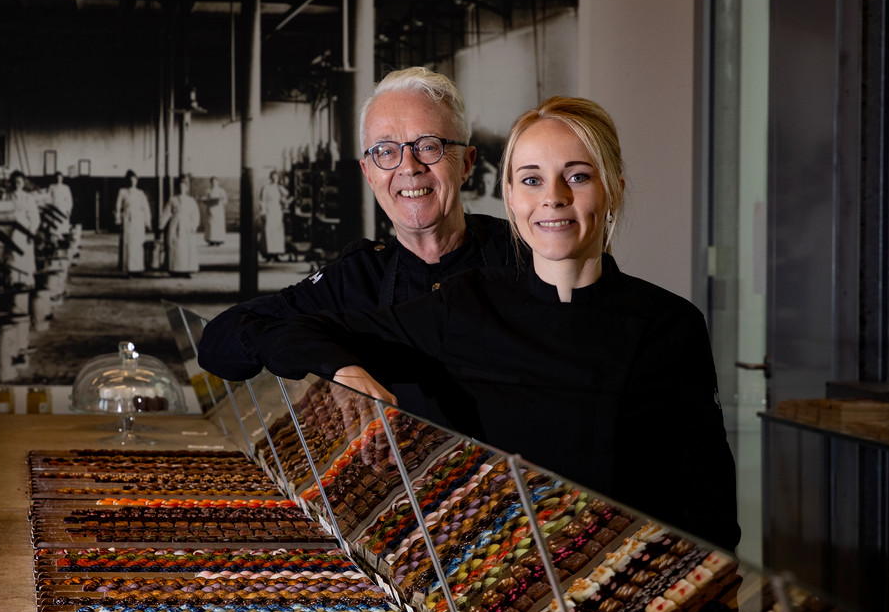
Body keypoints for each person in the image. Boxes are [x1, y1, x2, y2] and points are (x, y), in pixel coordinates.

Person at [251, 97, 740, 551]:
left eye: (577, 176)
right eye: (531, 179)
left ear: (613, 188)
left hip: (617, 589)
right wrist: (344, 370)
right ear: (509, 194)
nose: (552, 197)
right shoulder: (467, 304)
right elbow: (288, 331)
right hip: (490, 583)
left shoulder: (671, 324)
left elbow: (711, 511)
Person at [197, 67, 518, 422]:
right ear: (369, 173)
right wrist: (333, 363)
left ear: (466, 164)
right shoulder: (357, 275)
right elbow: (219, 342)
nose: (408, 167)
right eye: (385, 151)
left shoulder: (523, 255)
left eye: (428, 146)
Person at [115, 169, 150, 275]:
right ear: (127, 180)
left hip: (138, 220)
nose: (132, 181)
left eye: (134, 179)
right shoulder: (122, 191)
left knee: (138, 243)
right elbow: (118, 207)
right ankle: (127, 268)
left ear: (137, 180)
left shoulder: (140, 193)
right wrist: (118, 219)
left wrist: (147, 221)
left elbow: (146, 208)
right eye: (130, 179)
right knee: (128, 243)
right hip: (127, 218)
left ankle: (138, 268)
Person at [166, 174, 200, 277]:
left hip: (186, 226)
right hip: (175, 224)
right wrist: (161, 224)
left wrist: (194, 226)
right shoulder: (173, 199)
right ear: (178, 187)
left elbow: (196, 214)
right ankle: (174, 269)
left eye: (184, 186)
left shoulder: (191, 201)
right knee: (175, 246)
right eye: (180, 186)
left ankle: (187, 270)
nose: (182, 188)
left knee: (187, 247)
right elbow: (167, 212)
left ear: (187, 188)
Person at [257, 169, 288, 261]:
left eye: (276, 177)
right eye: (273, 177)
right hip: (269, 211)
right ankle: (268, 254)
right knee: (268, 232)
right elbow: (262, 201)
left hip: (277, 212)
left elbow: (286, 196)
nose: (275, 179)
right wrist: (263, 212)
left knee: (277, 233)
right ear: (270, 178)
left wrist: (284, 198)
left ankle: (277, 253)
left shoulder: (279, 188)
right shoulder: (266, 187)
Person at [202, 176, 228, 245]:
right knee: (211, 225)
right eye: (212, 182)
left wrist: (220, 201)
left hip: (218, 210)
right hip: (210, 210)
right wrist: (207, 201)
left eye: (215, 182)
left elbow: (225, 200)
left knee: (218, 225)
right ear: (210, 183)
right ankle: (210, 240)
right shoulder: (208, 191)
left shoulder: (221, 190)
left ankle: (219, 240)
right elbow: (204, 199)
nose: (213, 183)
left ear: (217, 182)